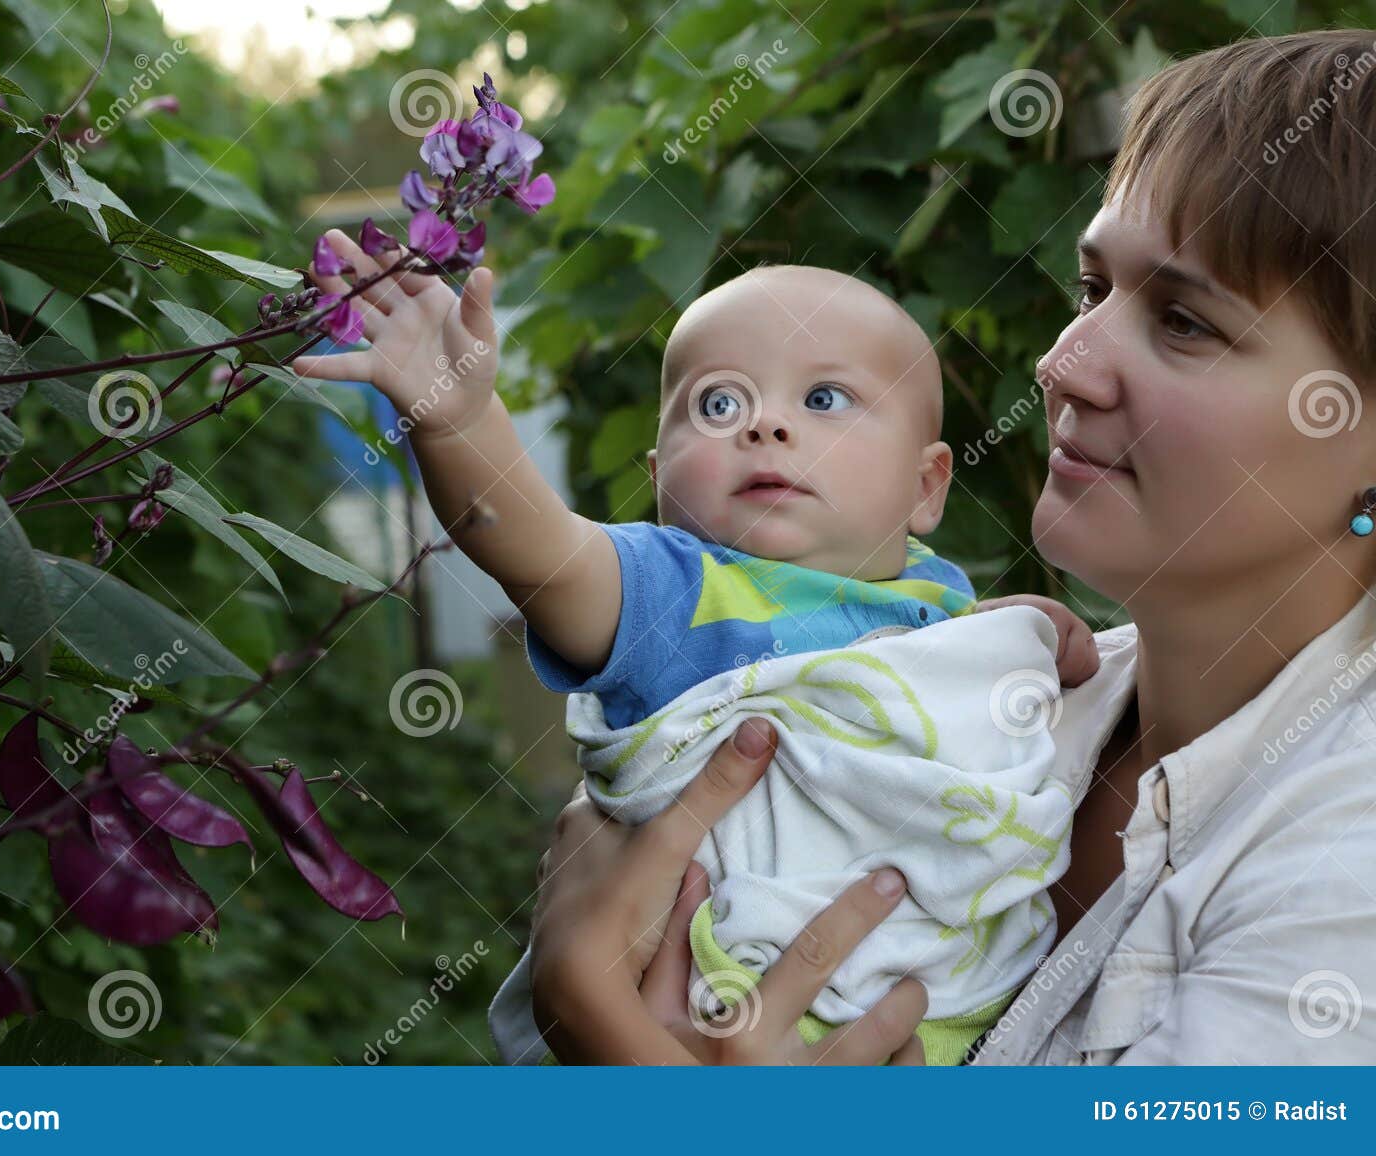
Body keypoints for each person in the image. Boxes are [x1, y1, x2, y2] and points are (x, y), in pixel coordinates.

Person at [524, 28, 1376, 1064]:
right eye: (1091, 289)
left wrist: (611, 1029)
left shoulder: (1346, 861)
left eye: (1187, 322)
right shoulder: (979, 687)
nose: (1065, 363)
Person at [295, 238, 1105, 1063]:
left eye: (825, 397)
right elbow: (532, 548)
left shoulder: (941, 600)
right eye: (719, 405)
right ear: (658, 476)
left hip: (935, 1004)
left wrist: (1023, 631)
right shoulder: (678, 588)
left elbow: (950, 675)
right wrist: (461, 420)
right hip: (723, 998)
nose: (767, 423)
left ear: (926, 485)